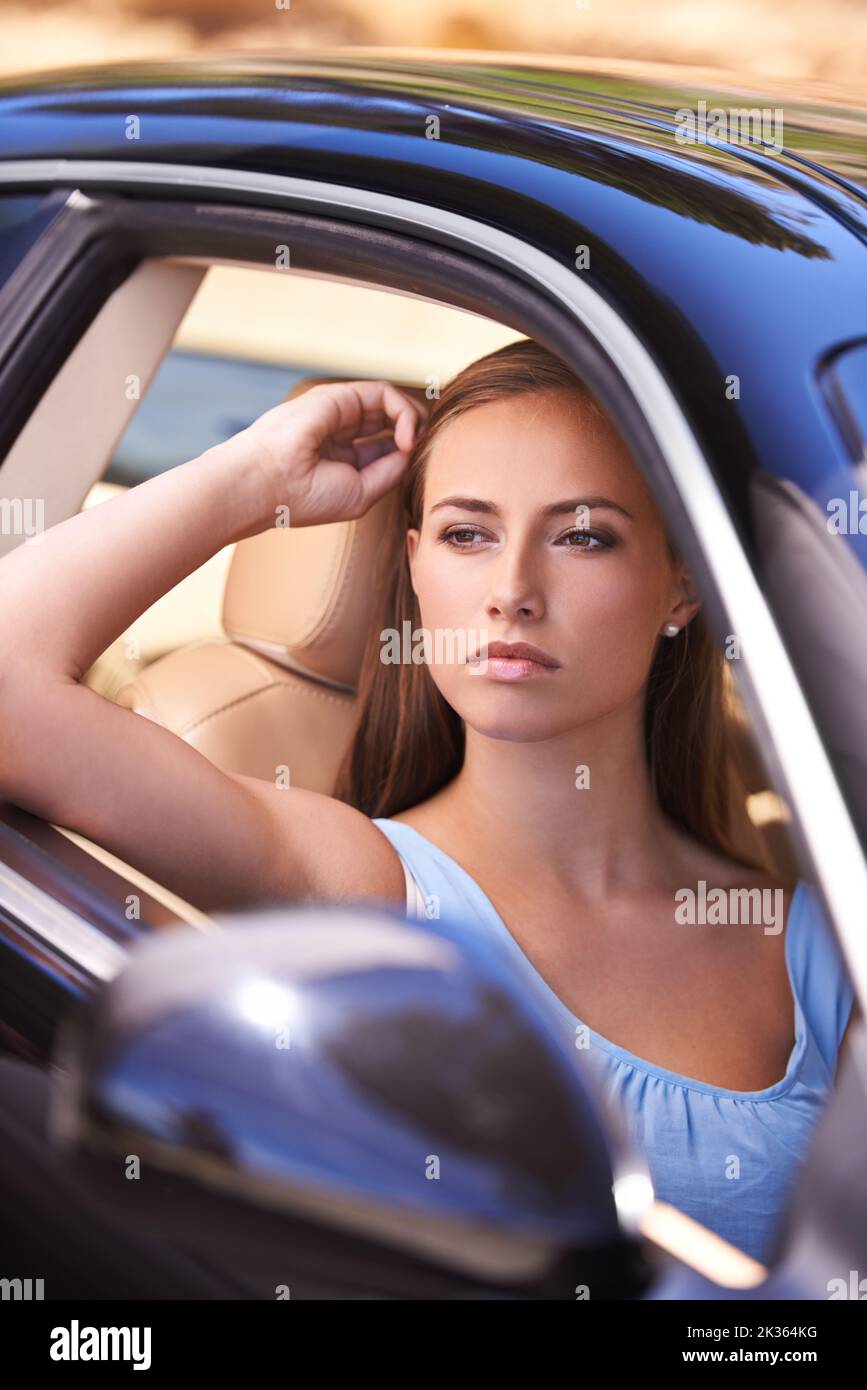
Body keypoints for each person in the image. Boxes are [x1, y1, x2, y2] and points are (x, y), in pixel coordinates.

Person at [0, 338, 857, 1264]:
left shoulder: (816, 937)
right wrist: (248, 477)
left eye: (581, 535)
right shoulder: (354, 878)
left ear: (681, 587)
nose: (511, 593)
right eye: (466, 533)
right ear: (412, 567)